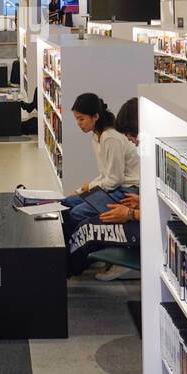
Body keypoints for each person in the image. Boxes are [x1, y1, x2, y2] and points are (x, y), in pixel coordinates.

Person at [59, 93, 141, 280]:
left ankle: (78, 259)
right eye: (77, 119)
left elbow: (114, 179)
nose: (79, 124)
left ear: (95, 116)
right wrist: (86, 188)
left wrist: (87, 188)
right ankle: (72, 254)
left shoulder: (110, 138)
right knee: (67, 203)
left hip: (127, 191)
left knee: (77, 213)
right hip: (114, 188)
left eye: (82, 119)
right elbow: (106, 176)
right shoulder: (97, 137)